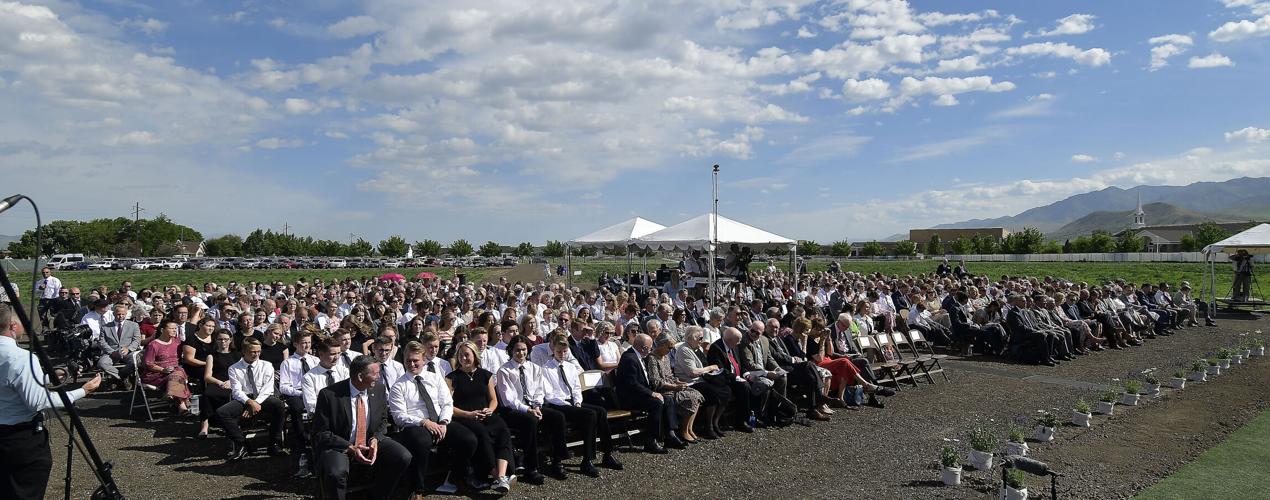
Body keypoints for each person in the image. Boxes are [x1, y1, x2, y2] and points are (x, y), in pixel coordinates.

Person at [1, 302, 101, 499]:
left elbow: (9, 383)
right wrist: (82, 391)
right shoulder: (21, 358)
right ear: (13, 326)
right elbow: (38, 402)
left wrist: (48, 377)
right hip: (19, 440)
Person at [312, 355, 412, 500]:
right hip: (341, 444)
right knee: (336, 473)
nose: (379, 376)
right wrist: (349, 447)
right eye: (375, 373)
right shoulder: (329, 395)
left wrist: (375, 439)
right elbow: (321, 432)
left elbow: (383, 420)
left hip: (370, 439)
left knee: (402, 457)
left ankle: (378, 496)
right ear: (360, 376)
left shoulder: (379, 389)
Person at [390, 341, 479, 497]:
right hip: (416, 425)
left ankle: (456, 477)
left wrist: (444, 422)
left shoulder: (435, 378)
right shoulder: (398, 386)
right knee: (422, 442)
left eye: (415, 361)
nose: (412, 364)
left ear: (424, 359)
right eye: (408, 361)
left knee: (469, 440)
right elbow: (399, 416)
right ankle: (417, 489)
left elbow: (447, 403)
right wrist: (424, 422)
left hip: (440, 421)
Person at [446, 341, 516, 494]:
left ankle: (502, 475)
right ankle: (497, 476)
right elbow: (448, 405)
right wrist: (468, 414)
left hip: (485, 413)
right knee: (481, 433)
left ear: (475, 355)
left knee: (502, 429)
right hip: (464, 416)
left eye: (467, 355)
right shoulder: (452, 378)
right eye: (460, 355)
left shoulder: (485, 375)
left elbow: (493, 399)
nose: (463, 358)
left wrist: (490, 410)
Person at [493, 335, 554, 484]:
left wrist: (537, 406)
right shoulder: (504, 370)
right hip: (512, 410)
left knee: (557, 417)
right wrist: (528, 409)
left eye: (524, 350)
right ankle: (531, 468)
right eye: (517, 350)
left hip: (533, 406)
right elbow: (508, 399)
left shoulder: (534, 368)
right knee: (530, 421)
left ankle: (557, 460)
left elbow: (539, 390)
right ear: (511, 351)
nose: (521, 353)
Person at [217, 338, 288, 461]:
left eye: (259, 351)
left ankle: (274, 444)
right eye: (253, 352)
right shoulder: (234, 368)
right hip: (245, 398)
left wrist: (256, 403)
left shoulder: (266, 365)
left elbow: (268, 388)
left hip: (263, 397)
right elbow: (236, 391)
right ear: (244, 351)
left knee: (279, 406)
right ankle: (241, 444)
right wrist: (250, 403)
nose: (256, 354)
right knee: (222, 412)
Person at [614, 333, 671, 452]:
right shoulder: (629, 358)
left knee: (668, 399)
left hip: (639, 394)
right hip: (630, 398)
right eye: (649, 348)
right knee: (656, 403)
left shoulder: (638, 356)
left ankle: (670, 434)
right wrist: (651, 393)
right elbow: (632, 384)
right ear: (643, 348)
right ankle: (650, 441)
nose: (650, 350)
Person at [672, 326, 728, 439]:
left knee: (726, 389)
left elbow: (702, 365)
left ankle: (715, 423)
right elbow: (692, 372)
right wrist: (710, 368)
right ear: (691, 338)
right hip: (689, 382)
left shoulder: (696, 348)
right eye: (700, 338)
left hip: (700, 379)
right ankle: (708, 427)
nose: (702, 341)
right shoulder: (684, 349)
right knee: (712, 393)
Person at [646, 335, 704, 443]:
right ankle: (683, 431)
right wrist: (675, 387)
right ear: (661, 345)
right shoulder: (652, 359)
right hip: (663, 390)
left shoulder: (666, 357)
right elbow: (656, 382)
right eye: (669, 347)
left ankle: (689, 429)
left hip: (672, 387)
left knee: (697, 394)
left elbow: (670, 376)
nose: (671, 350)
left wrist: (679, 382)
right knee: (691, 398)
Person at [278, 330, 319, 477]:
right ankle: (302, 445)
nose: (307, 345)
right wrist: (301, 393)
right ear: (295, 344)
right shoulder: (288, 363)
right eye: (303, 343)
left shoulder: (315, 360)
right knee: (297, 409)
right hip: (297, 393)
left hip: (314, 392)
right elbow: (284, 386)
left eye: (309, 342)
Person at [141, 319, 192, 414]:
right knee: (177, 376)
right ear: (162, 330)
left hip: (175, 371)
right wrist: (163, 369)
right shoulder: (153, 345)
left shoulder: (177, 342)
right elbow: (148, 364)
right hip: (157, 373)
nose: (174, 330)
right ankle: (182, 404)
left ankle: (173, 398)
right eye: (171, 328)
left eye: (175, 328)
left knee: (177, 374)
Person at [199, 330, 238, 440]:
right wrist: (220, 383)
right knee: (207, 394)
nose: (223, 342)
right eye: (220, 339)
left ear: (230, 340)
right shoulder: (211, 356)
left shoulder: (237, 355)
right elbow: (207, 377)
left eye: (225, 339)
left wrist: (231, 381)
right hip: (216, 382)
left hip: (233, 382)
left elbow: (241, 373)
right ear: (216, 340)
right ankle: (204, 426)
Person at [95, 302, 140, 391]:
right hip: (111, 352)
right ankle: (122, 378)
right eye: (118, 314)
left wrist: (129, 349)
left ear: (126, 314)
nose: (121, 316)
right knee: (102, 364)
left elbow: (137, 340)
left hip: (128, 352)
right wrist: (111, 352)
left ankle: (119, 377)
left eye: (123, 314)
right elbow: (101, 341)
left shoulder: (134, 325)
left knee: (137, 361)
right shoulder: (105, 327)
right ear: (114, 314)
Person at [302, 338, 349, 414]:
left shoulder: (344, 372)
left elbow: (348, 396)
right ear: (321, 354)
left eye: (339, 353)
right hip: (323, 415)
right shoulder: (309, 377)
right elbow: (311, 406)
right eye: (332, 354)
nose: (337, 357)